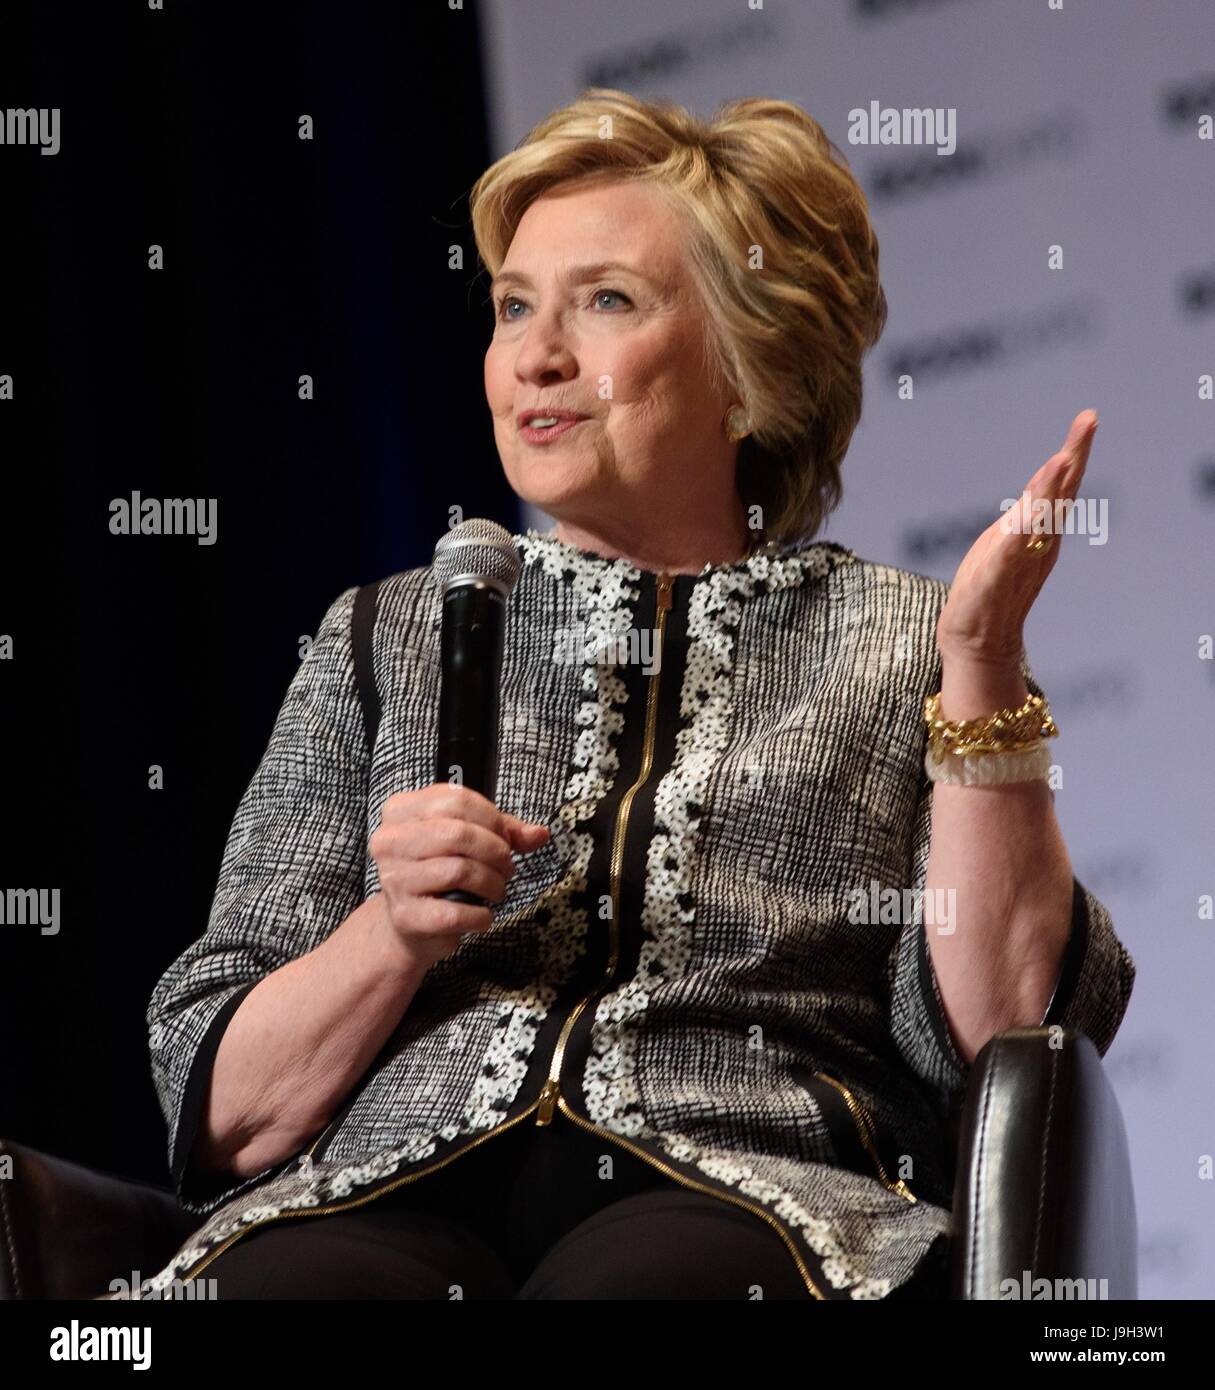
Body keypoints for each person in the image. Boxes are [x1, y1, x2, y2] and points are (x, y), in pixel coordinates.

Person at [124, 88, 1134, 1301]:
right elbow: (223, 1109)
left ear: (748, 363)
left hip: (735, 1191)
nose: (537, 356)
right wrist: (387, 933)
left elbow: (1009, 1027)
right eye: (512, 308)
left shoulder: (901, 641)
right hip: (381, 1192)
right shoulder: (377, 637)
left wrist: (978, 661)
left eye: (605, 301)